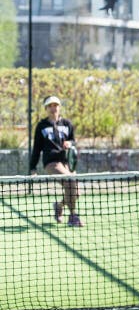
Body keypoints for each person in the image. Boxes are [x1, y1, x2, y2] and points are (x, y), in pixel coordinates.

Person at [30, 95, 84, 227]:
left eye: (55, 105)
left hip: (66, 163)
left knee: (75, 192)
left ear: (59, 107)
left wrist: (69, 143)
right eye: (50, 106)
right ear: (46, 108)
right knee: (70, 182)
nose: (53, 108)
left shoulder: (67, 124)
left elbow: (73, 141)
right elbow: (36, 148)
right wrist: (33, 168)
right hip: (51, 162)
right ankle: (72, 216)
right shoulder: (41, 126)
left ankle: (59, 205)